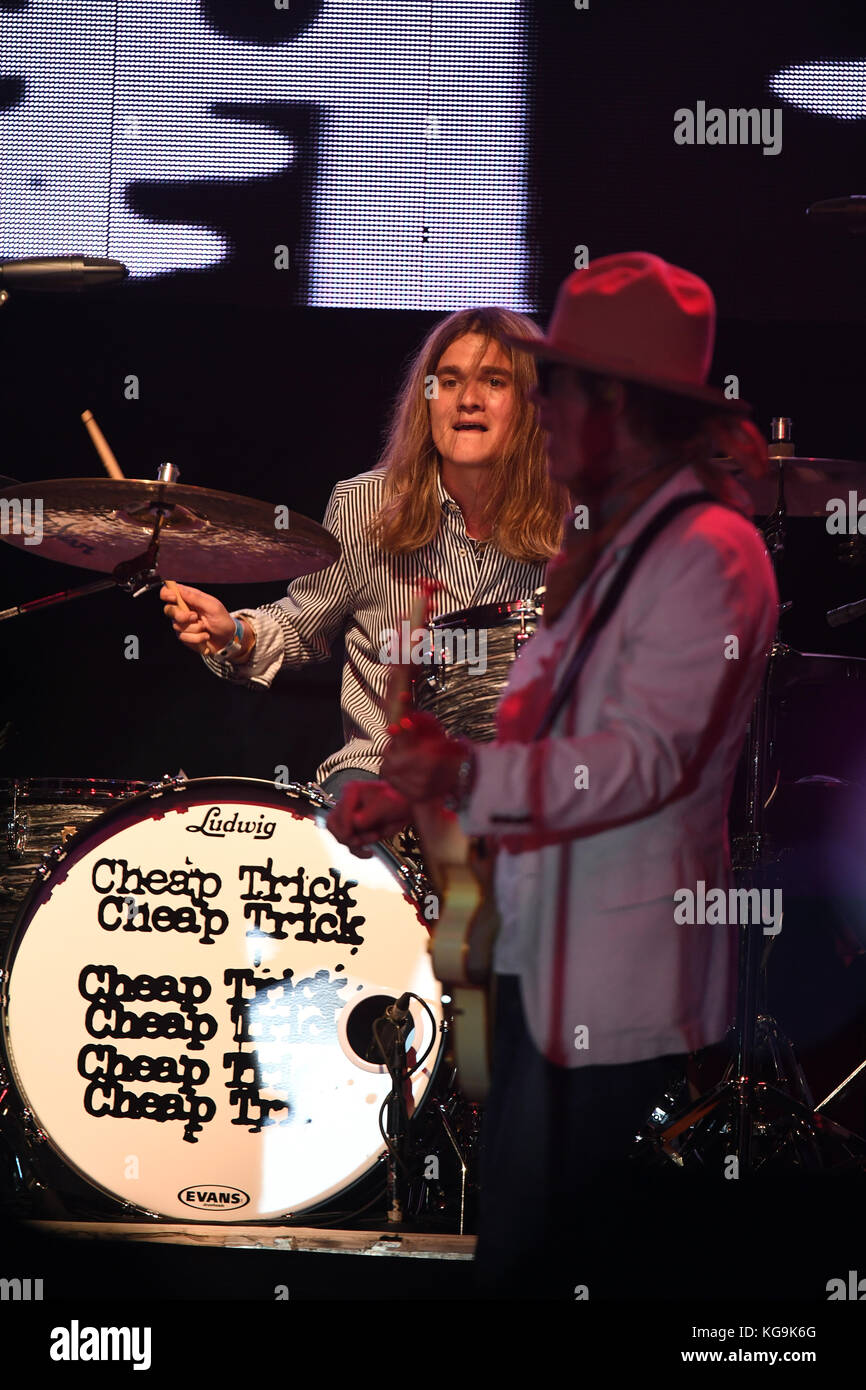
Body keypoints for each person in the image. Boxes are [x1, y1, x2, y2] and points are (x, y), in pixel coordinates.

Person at [328, 252, 779, 1296]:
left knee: (544, 1266)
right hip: (548, 962)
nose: (536, 411)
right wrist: (418, 790)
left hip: (616, 980)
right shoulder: (615, 549)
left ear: (609, 403)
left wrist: (462, 778)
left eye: (551, 388)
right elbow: (541, 743)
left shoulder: (703, 551)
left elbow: (640, 760)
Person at [161, 308, 568, 806]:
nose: (467, 400)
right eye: (449, 381)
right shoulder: (366, 505)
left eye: (495, 381)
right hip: (380, 770)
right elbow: (301, 624)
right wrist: (235, 634)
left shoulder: (574, 516)